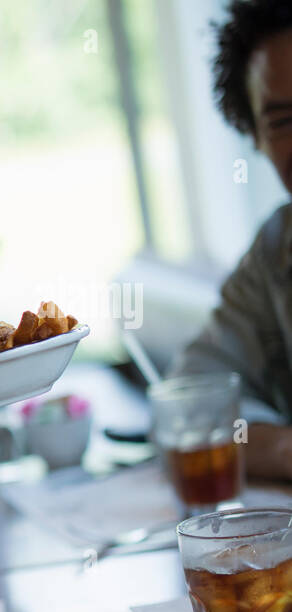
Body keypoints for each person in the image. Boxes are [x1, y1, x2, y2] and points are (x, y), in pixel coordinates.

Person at [174, 0, 292, 478]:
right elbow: (190, 403)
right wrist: (284, 449)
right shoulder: (276, 249)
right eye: (282, 121)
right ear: (256, 139)